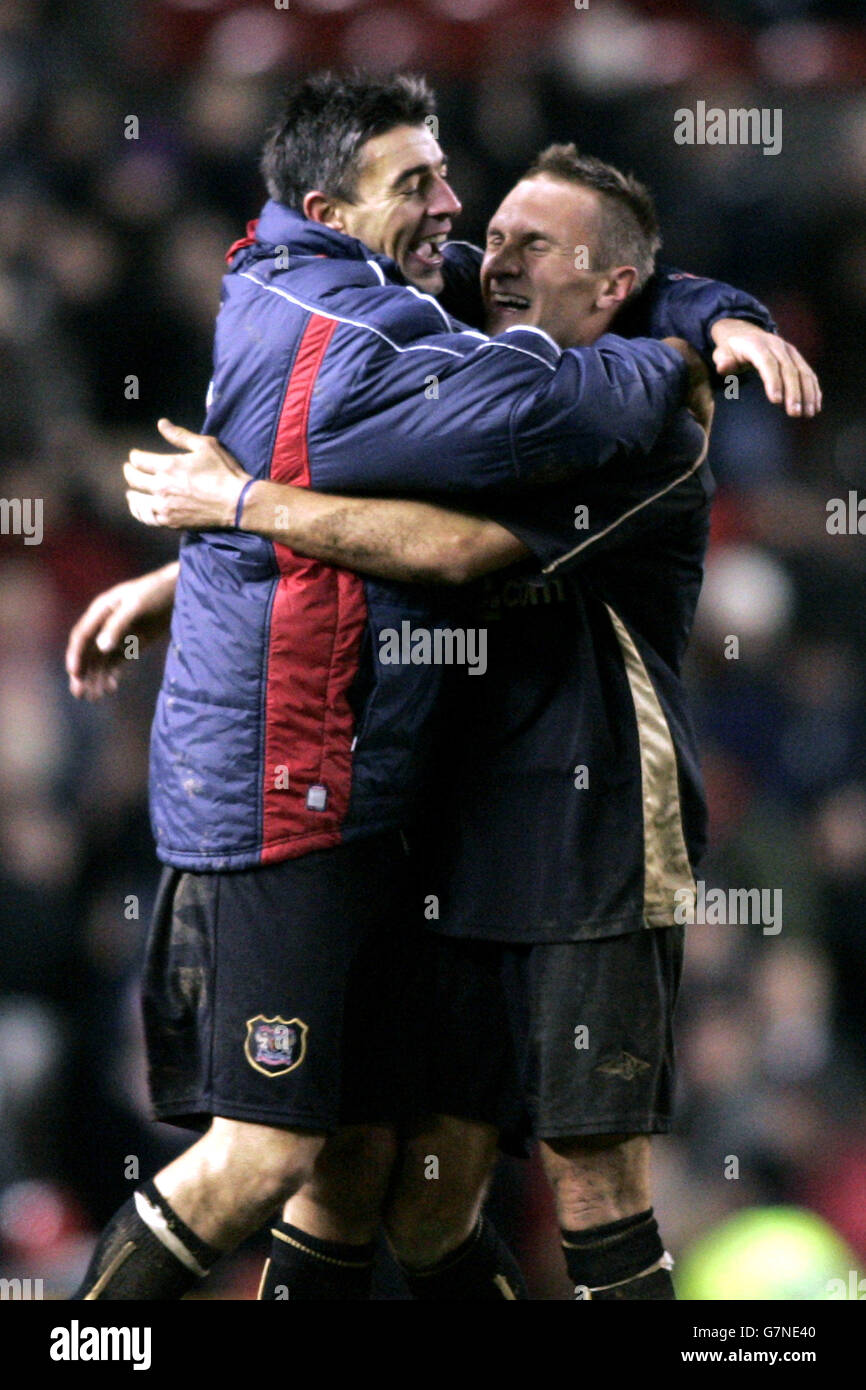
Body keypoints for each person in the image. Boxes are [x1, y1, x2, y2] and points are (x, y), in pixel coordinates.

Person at [67, 75, 818, 1302]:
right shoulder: (469, 345)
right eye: (486, 228)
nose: (486, 253)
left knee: (586, 1176)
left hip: (590, 836)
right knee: (391, 1183)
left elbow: (456, 547)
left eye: (531, 245)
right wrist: (191, 576)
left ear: (610, 288)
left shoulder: (646, 424)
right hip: (444, 817)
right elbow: (370, 490)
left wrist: (238, 509)